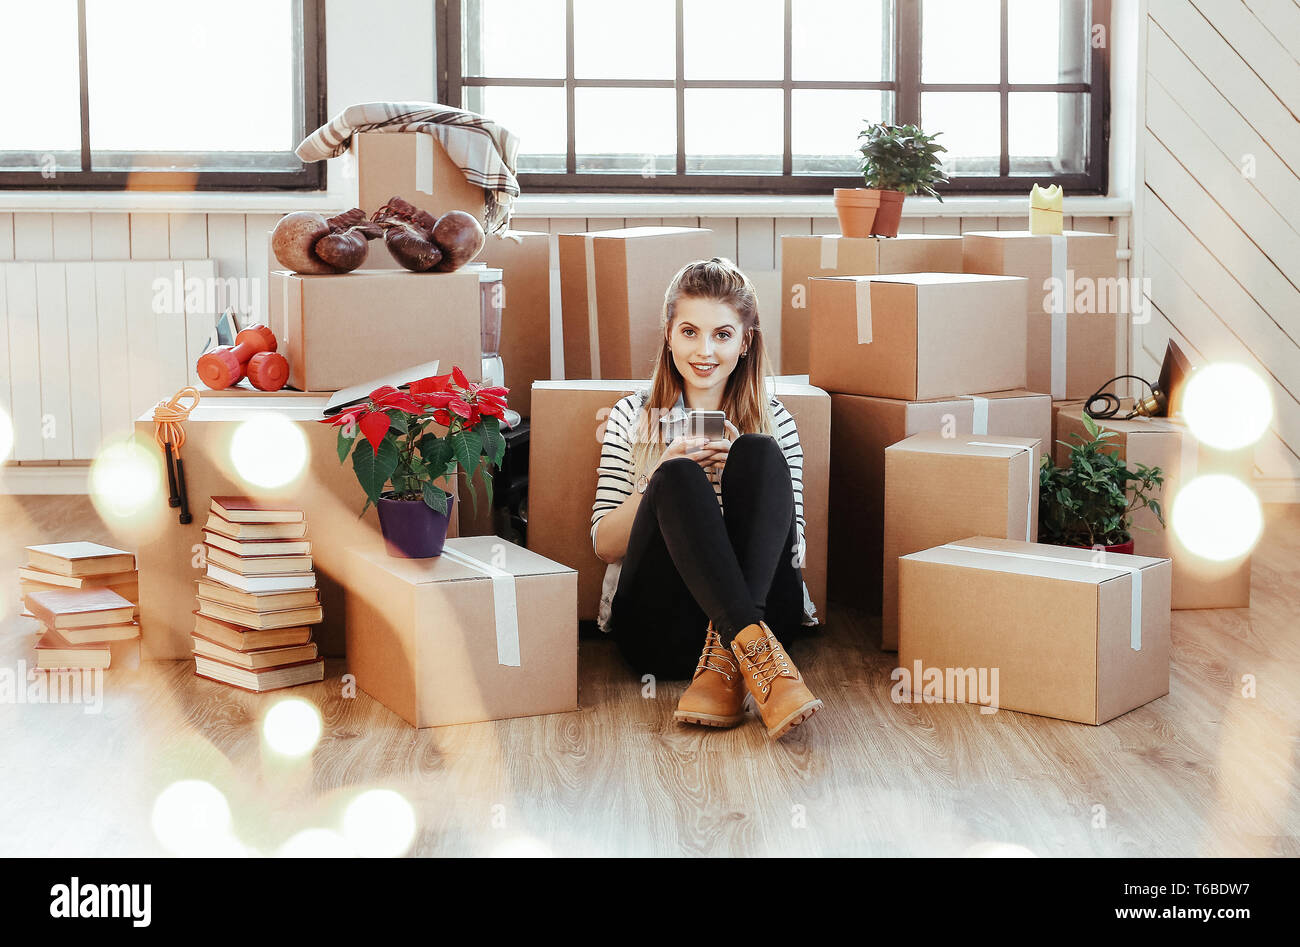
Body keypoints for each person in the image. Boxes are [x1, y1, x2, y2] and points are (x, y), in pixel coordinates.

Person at [590, 257, 822, 740]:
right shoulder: (633, 414)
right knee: (675, 476)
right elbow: (606, 546)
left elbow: (791, 547)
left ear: (745, 343)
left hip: (762, 617)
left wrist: (741, 472)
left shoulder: (774, 418)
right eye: (690, 332)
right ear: (669, 334)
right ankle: (749, 658)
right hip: (663, 630)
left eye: (722, 334)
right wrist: (655, 481)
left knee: (757, 451)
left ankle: (731, 656)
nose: (704, 350)